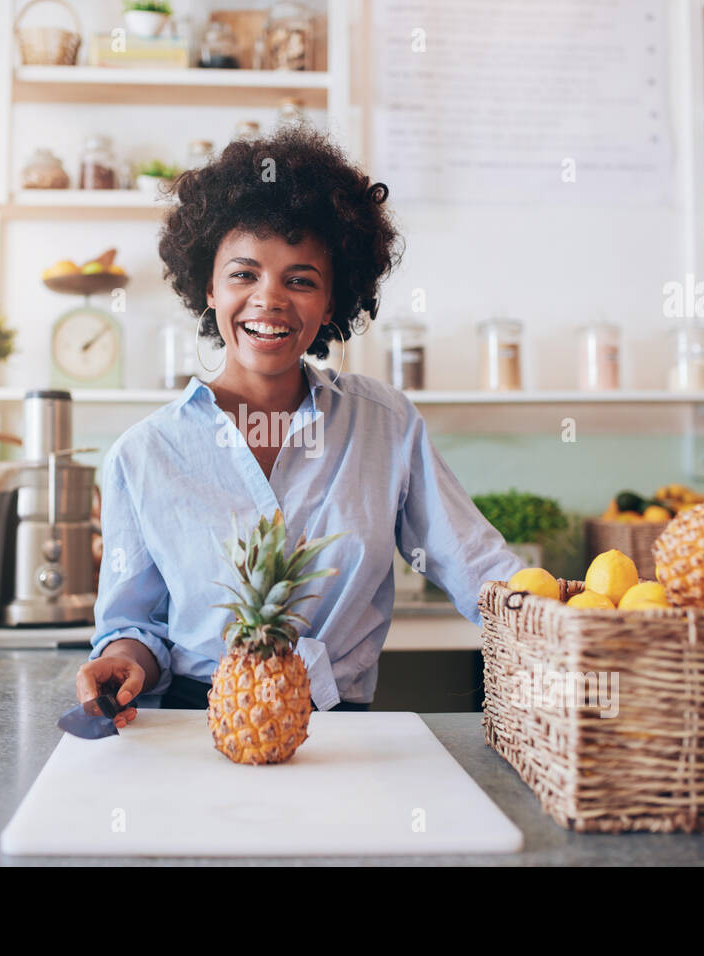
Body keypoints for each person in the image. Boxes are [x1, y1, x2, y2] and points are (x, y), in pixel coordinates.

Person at [75, 125, 522, 728]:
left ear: (333, 301)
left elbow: (476, 566)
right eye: (244, 274)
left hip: (344, 727)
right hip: (195, 725)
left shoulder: (385, 425)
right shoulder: (144, 454)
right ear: (208, 287)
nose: (270, 299)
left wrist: (579, 615)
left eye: (301, 279)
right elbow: (135, 625)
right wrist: (125, 660)